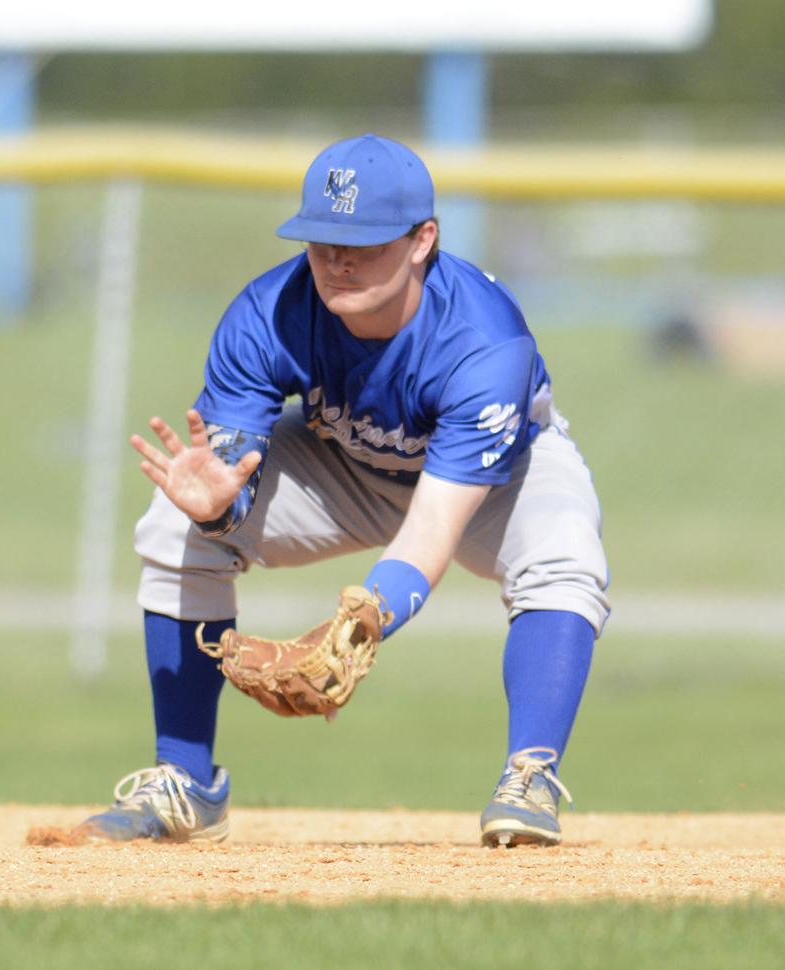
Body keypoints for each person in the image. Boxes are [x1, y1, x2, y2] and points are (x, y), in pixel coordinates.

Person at [78, 134, 610, 848]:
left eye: (363, 240)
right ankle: (186, 783)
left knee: (564, 553)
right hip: (344, 464)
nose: (337, 260)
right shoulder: (267, 314)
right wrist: (217, 511)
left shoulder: (485, 344)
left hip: (497, 475)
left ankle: (530, 776)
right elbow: (231, 468)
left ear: (423, 240)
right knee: (173, 524)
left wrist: (363, 621)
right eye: (322, 238)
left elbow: (432, 529)